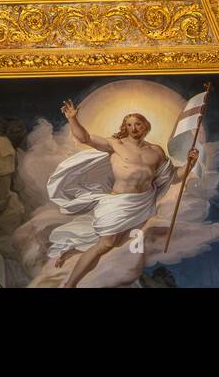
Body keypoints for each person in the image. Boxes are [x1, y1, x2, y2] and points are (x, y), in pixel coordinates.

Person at [46, 101, 197, 288]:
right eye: (129, 124)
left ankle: (75, 251)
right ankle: (70, 284)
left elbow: (174, 177)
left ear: (146, 127)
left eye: (138, 124)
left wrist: (189, 163)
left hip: (143, 203)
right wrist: (73, 118)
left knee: (114, 244)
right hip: (119, 202)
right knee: (106, 244)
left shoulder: (156, 151)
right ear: (124, 128)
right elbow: (84, 138)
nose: (134, 128)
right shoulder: (115, 143)